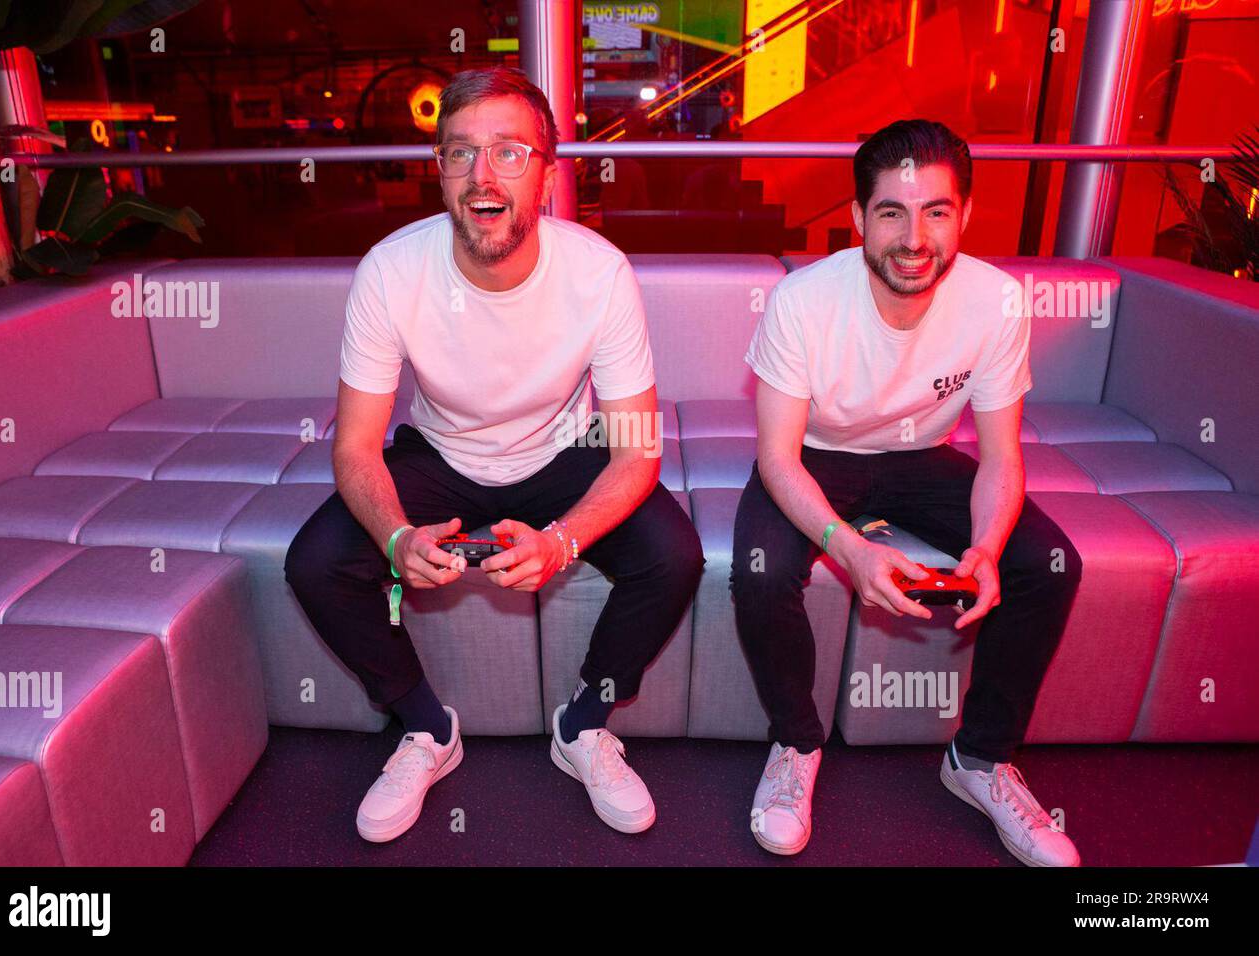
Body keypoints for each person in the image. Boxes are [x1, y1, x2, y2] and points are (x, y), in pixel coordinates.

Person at [284, 67, 703, 843]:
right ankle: (424, 729)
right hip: (441, 453)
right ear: (437, 170)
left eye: (511, 152)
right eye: (460, 153)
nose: (483, 176)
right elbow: (352, 446)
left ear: (547, 172)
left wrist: (564, 541)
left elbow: (638, 453)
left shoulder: (599, 272)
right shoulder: (390, 269)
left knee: (674, 555)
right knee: (315, 561)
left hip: (561, 452)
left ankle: (582, 724)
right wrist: (396, 539)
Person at [731, 119, 1082, 866]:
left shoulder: (997, 301)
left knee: (1047, 561)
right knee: (760, 573)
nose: (914, 238)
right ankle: (796, 744)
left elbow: (999, 457)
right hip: (816, 458)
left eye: (937, 212)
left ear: (965, 215)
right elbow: (776, 457)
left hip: (923, 458)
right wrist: (849, 549)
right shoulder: (802, 301)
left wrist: (985, 548)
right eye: (891, 212)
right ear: (858, 218)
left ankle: (980, 761)